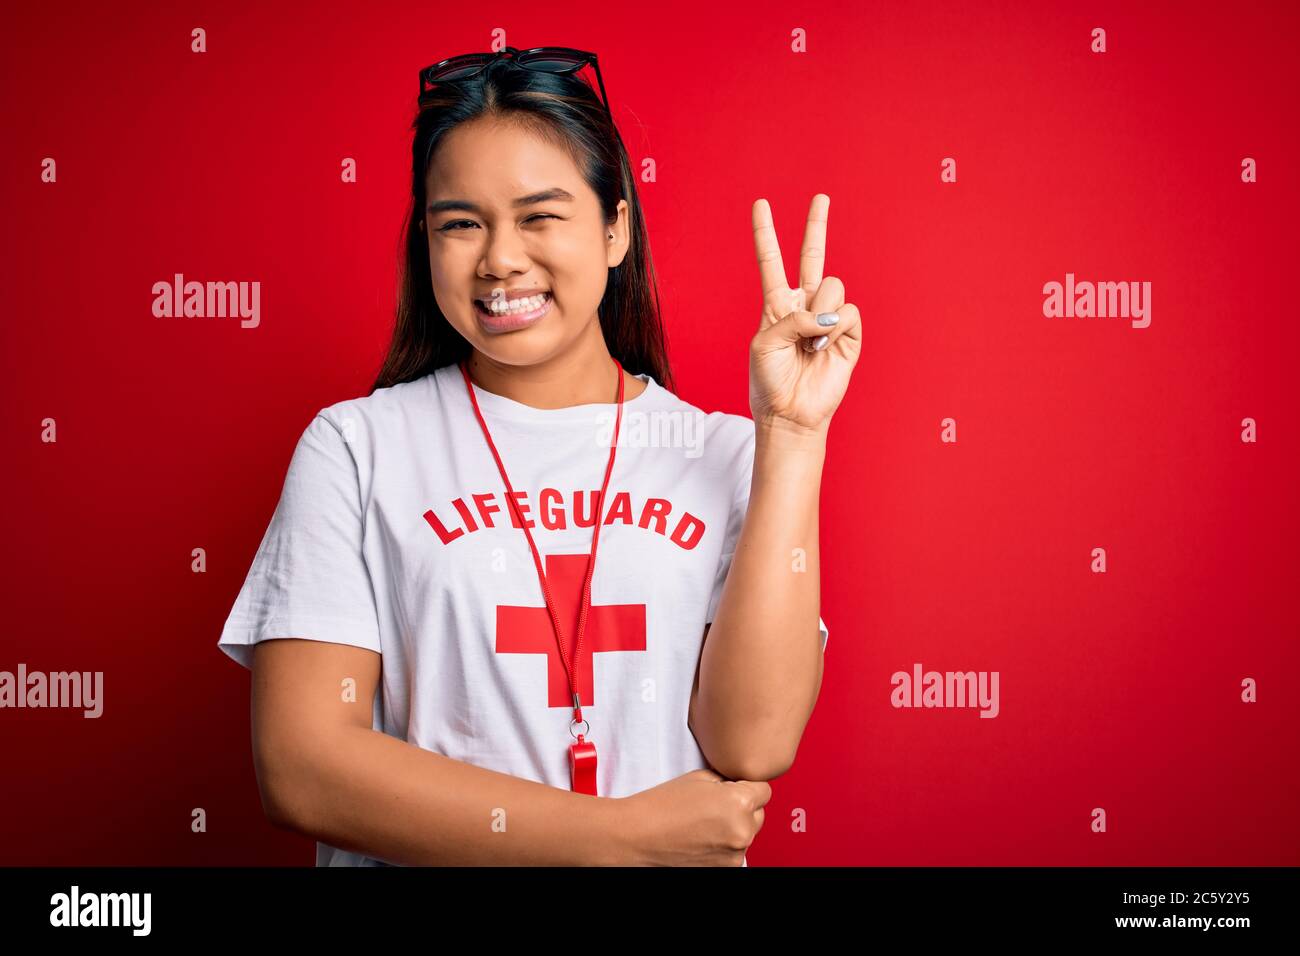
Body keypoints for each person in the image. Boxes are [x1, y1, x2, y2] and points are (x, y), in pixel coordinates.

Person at [216, 46, 859, 866]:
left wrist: (795, 439)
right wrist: (619, 841)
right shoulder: (356, 447)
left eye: (539, 215)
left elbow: (753, 745)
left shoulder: (725, 454)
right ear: (426, 240)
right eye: (460, 223)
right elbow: (304, 770)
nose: (499, 259)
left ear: (615, 227)